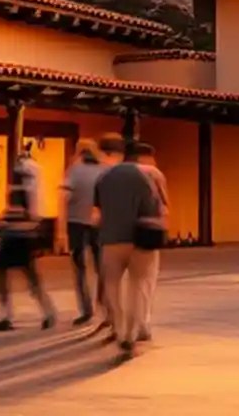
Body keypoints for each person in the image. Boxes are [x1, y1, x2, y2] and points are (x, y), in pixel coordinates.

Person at [93, 133, 160, 358]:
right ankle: (132, 333)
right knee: (136, 286)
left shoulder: (104, 178)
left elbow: (96, 212)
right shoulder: (144, 177)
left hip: (111, 240)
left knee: (112, 286)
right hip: (138, 240)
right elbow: (153, 208)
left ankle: (119, 330)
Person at [0, 144, 58, 332]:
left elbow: (27, 207)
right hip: (21, 231)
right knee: (29, 274)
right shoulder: (32, 178)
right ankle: (47, 311)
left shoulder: (22, 177)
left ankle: (8, 314)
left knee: (6, 273)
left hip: (16, 232)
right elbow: (35, 208)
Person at [63, 138, 105, 326]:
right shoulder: (104, 171)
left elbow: (65, 195)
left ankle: (86, 309)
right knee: (101, 267)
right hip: (99, 223)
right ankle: (104, 305)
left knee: (79, 267)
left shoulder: (74, 171)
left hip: (76, 223)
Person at [131, 141, 169, 342]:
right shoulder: (154, 173)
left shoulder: (121, 173)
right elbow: (165, 203)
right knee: (146, 280)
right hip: (149, 231)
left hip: (125, 231)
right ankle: (143, 324)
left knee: (129, 281)